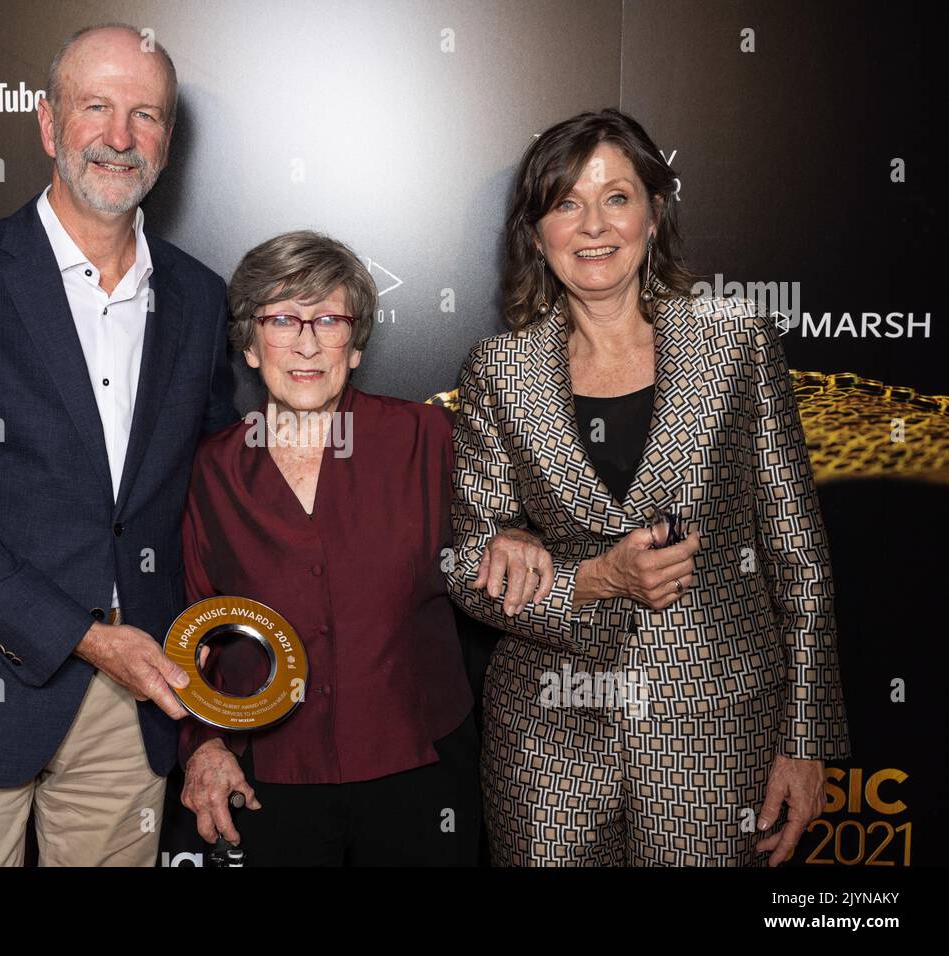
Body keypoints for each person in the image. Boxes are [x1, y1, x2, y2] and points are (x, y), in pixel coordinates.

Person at [0, 23, 237, 866]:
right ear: (46, 124)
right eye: (96, 107)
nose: (118, 137)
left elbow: (206, 493)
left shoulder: (199, 297)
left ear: (168, 143)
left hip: (135, 698)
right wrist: (82, 634)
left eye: (145, 116)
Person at [447, 108, 850, 866]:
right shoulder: (497, 371)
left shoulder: (736, 343)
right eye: (566, 203)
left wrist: (804, 738)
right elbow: (469, 570)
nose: (593, 225)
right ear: (536, 233)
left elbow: (800, 556)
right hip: (547, 739)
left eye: (617, 198)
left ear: (654, 215)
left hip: (715, 730)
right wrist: (592, 580)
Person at [177, 231, 479, 866]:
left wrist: (521, 539)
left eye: (330, 319)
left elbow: (507, 529)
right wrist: (204, 744)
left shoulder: (428, 438)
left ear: (357, 342)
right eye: (283, 319)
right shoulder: (213, 470)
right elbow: (194, 626)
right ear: (250, 345)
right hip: (271, 776)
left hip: (418, 766)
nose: (308, 343)